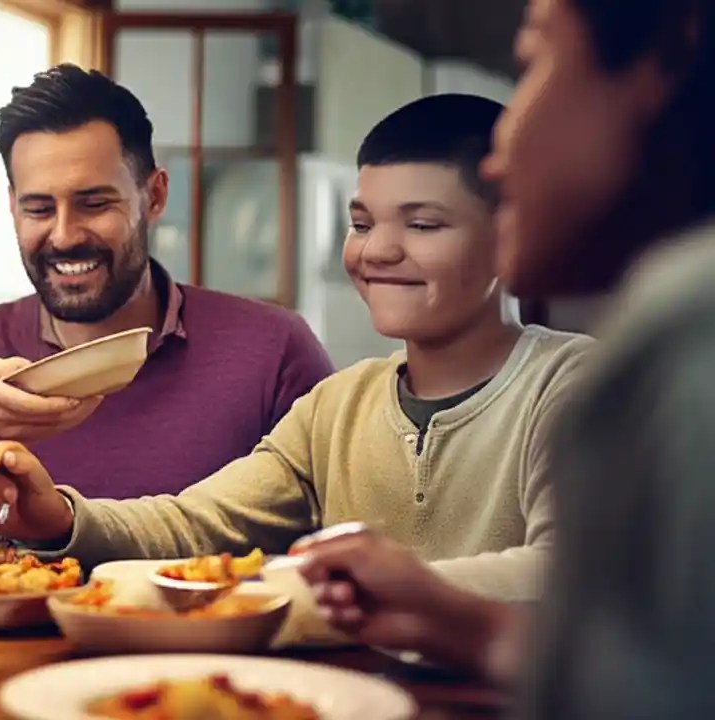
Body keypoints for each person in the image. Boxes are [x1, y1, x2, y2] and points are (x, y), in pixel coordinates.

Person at [0, 93, 594, 602]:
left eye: (422, 225)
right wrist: (60, 520)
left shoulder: (575, 387)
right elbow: (196, 523)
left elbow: (573, 571)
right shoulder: (334, 409)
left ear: (509, 235)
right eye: (362, 224)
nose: (376, 250)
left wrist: (372, 583)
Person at [297, 0, 715, 717]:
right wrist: (481, 630)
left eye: (533, 64)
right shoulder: (340, 400)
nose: (502, 149)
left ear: (672, 55)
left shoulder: (679, 331)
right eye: (362, 222)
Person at [0, 64, 333, 501]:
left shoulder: (273, 349)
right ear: (12, 207)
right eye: (39, 209)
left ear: (154, 196)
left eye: (94, 203)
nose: (64, 236)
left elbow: (347, 528)